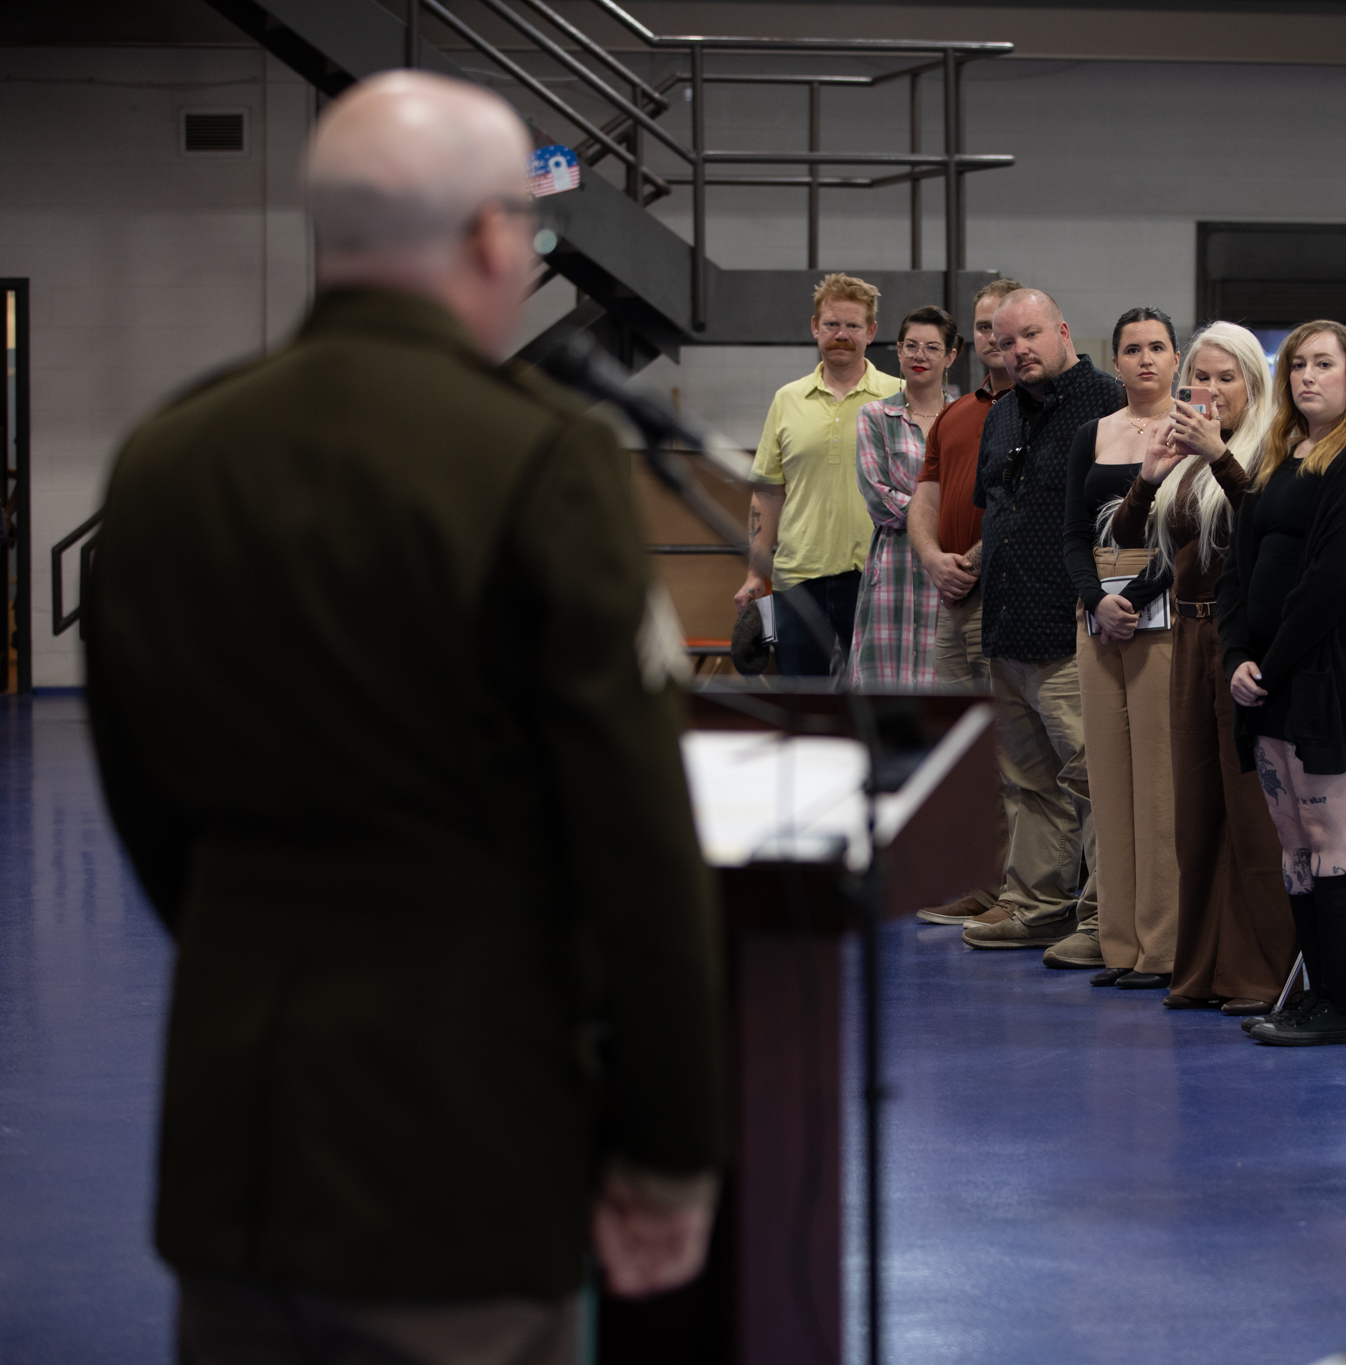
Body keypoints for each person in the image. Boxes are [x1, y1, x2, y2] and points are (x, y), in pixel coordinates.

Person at [81, 72, 723, 1364]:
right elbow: (639, 845)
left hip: (235, 1145)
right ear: (489, 236)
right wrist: (669, 1147)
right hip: (458, 1149)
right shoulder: (536, 461)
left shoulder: (166, 456)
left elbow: (145, 804)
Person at [1218, 322, 1346, 1046]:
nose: (1306, 376)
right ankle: (1311, 996)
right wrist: (1238, 654)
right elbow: (1239, 569)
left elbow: (1333, 580)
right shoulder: (1275, 457)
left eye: (1323, 364)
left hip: (1332, 673)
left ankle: (1339, 1005)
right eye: (1296, 364)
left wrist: (1272, 664)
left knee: (1330, 834)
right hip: (1268, 675)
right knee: (1292, 836)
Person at [1109, 322, 1294, 1014]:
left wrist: (1218, 456)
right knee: (1197, 811)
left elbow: (1266, 532)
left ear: (1253, 382)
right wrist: (1150, 476)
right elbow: (1130, 540)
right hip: (1187, 639)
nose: (1210, 390)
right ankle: (1205, 967)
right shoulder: (1185, 454)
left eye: (1226, 377)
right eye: (1201, 378)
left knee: (1251, 812)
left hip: (1242, 640)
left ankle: (1263, 970)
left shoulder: (1271, 450)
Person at [961, 289, 1126, 960]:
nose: (1018, 351)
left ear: (1062, 331)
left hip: (1071, 629)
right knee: (1026, 782)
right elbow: (997, 509)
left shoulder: (1108, 402)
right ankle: (1037, 906)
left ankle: (1104, 920)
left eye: (1030, 335)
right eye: (1006, 342)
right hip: (1005, 628)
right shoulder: (1001, 413)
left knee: (1094, 782)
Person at [907, 278, 1030, 929]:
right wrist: (933, 558)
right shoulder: (955, 414)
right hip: (950, 599)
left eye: (1005, 329)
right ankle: (978, 882)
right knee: (961, 751)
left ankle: (1019, 890)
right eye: (983, 327)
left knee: (1012, 749)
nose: (994, 338)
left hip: (1002, 596)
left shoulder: (1037, 408)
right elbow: (924, 495)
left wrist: (972, 562)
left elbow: (1025, 504)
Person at [1066, 307, 1181, 991]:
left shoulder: (1190, 430)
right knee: (1106, 781)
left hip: (1159, 610)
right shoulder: (1093, 433)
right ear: (1115, 362)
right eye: (1132, 349)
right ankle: (1119, 944)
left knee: (1157, 784)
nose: (1145, 359)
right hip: (1097, 614)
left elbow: (1190, 534)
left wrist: (1132, 598)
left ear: (1175, 358)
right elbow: (1072, 533)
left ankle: (1162, 945)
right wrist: (1094, 599)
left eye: (1157, 347)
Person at [736, 273, 903, 676]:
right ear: (815, 327)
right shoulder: (787, 399)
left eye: (853, 325)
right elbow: (767, 493)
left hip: (877, 578)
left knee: (880, 701)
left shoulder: (899, 396)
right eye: (831, 324)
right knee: (803, 700)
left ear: (871, 332)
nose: (841, 335)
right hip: (796, 581)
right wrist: (755, 573)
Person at [849, 304, 958, 688]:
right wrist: (943, 513)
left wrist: (928, 511)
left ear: (950, 356)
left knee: (946, 687)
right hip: (895, 566)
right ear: (898, 351)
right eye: (910, 346)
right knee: (884, 690)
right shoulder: (874, 416)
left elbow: (975, 494)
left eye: (932, 347)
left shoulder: (966, 418)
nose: (919, 355)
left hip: (951, 567)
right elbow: (878, 499)